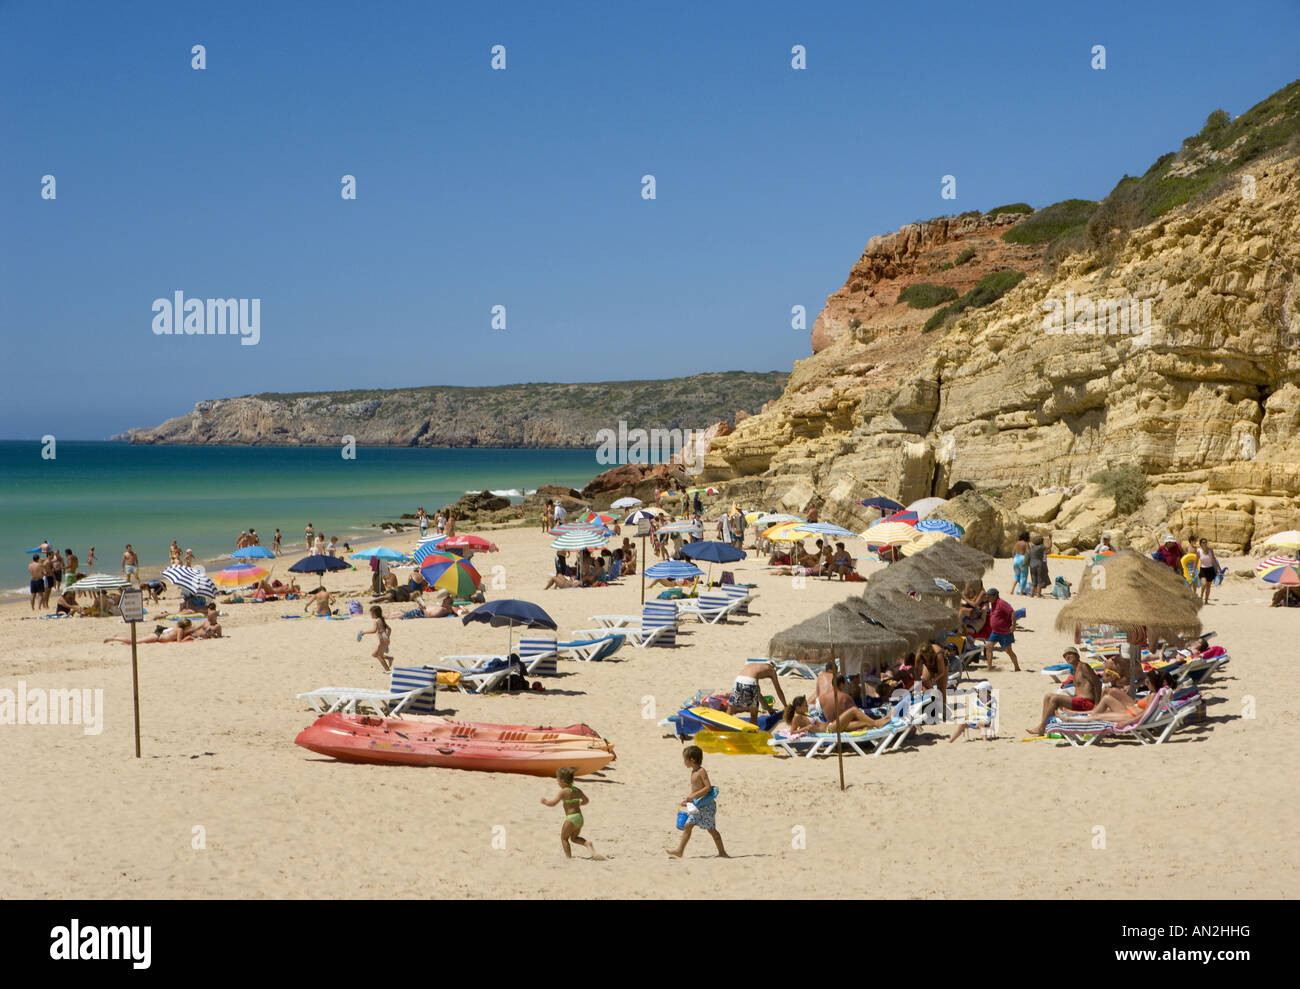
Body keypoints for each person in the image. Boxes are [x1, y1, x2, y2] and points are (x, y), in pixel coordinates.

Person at [666, 746, 727, 859]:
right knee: (687, 826)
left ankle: (722, 852)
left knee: (712, 830)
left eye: (685, 759)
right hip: (698, 805)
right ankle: (680, 850)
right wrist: (688, 801)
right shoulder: (693, 771)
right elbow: (695, 790)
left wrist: (692, 796)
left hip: (707, 806)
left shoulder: (701, 771)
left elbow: (708, 787)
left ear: (692, 760)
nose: (684, 762)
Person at [1026, 648, 1102, 734]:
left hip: (1086, 703)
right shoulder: (1075, 670)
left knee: (1055, 699)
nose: (1067, 656)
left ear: (1077, 656)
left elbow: (1097, 684)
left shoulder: (1083, 666)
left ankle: (1042, 727)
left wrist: (1097, 704)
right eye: (1065, 656)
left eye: (1070, 654)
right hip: (1079, 702)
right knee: (1048, 696)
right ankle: (1045, 725)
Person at [541, 767, 602, 860]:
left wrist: (545, 801)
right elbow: (586, 800)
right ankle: (587, 843)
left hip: (571, 819)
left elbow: (552, 803)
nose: (557, 781)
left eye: (558, 779)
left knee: (564, 838)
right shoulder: (577, 790)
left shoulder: (563, 792)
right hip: (580, 818)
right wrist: (580, 804)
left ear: (563, 781)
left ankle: (568, 858)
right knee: (574, 838)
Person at [784, 693, 888, 733]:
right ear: (798, 708)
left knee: (864, 723)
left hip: (830, 726)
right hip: (830, 730)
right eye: (805, 705)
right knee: (853, 711)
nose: (807, 706)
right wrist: (805, 728)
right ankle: (877, 723)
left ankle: (879, 722)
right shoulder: (797, 718)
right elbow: (792, 733)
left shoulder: (804, 715)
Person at [982, 588, 1020, 671]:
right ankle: (989, 667)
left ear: (995, 596)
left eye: (989, 596)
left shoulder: (1001, 603)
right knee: (988, 646)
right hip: (995, 632)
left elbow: (1013, 612)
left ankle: (1017, 667)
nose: (988, 598)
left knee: (1008, 651)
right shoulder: (993, 603)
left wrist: (1013, 626)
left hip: (1004, 632)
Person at [105, 619, 194, 644]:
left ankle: (115, 638)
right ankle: (114, 638)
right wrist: (188, 638)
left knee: (136, 641)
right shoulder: (180, 630)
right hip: (157, 636)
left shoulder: (179, 629)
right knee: (135, 641)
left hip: (157, 636)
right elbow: (179, 641)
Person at [358, 605, 392, 671]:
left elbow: (374, 630)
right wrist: (387, 638)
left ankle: (388, 670)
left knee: (379, 656)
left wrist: (364, 632)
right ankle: (389, 658)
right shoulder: (381, 619)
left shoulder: (376, 621)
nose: (370, 615)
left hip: (383, 640)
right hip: (385, 639)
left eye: (371, 613)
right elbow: (390, 629)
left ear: (375, 614)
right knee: (374, 654)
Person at [1196, 538, 1219, 604]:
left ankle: (1206, 601)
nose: (1204, 543)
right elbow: (1196, 561)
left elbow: (1213, 560)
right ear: (1200, 544)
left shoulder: (1210, 550)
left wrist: (1217, 568)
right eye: (1203, 542)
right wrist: (1194, 570)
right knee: (1204, 584)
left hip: (1210, 569)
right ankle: (1201, 596)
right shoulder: (1199, 551)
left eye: (1205, 542)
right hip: (1202, 569)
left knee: (1208, 586)